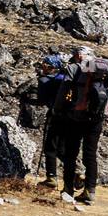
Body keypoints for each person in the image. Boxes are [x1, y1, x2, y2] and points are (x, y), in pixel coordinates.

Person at [54, 45, 108, 204]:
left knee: (71, 153)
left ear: (78, 55)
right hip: (97, 117)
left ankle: (68, 189)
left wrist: (57, 108)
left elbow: (64, 90)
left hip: (77, 116)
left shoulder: (75, 68)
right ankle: (90, 190)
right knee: (90, 153)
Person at [36, 52, 68, 187]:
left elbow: (41, 100)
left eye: (45, 64)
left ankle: (51, 178)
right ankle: (77, 171)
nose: (43, 66)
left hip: (55, 115)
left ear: (51, 67)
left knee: (50, 147)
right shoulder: (65, 79)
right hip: (69, 116)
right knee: (61, 147)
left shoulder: (44, 80)